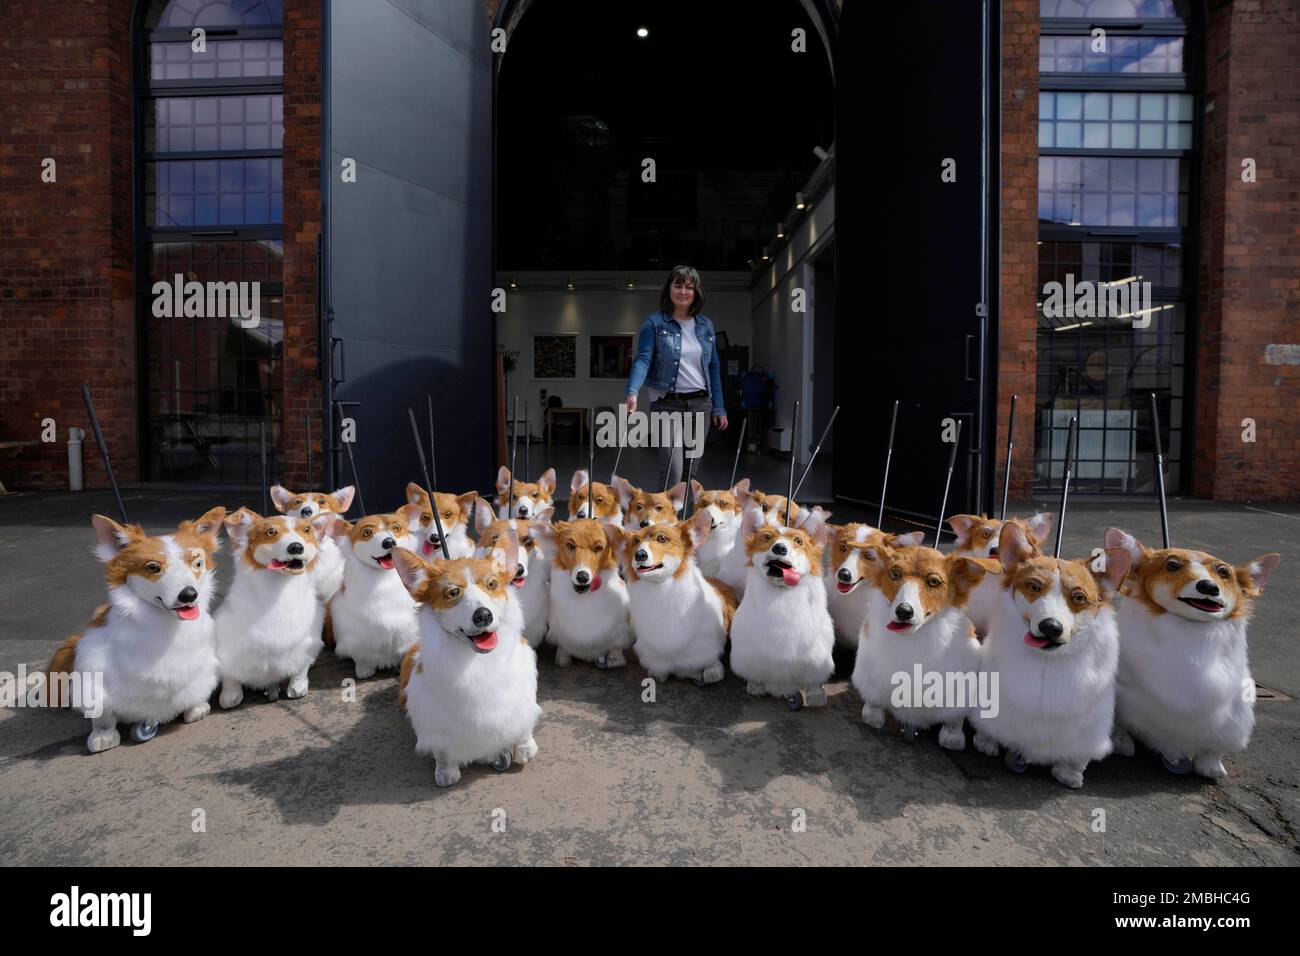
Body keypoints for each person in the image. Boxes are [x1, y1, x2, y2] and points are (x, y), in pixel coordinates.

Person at [625, 265, 729, 491]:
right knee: (673, 470)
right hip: (666, 403)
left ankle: (680, 523)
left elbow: (713, 368)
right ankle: (664, 523)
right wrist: (632, 391)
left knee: (690, 472)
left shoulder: (705, 326)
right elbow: (643, 359)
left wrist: (719, 407)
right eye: (678, 285)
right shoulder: (654, 323)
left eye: (689, 287)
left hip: (701, 404)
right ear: (669, 289)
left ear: (696, 292)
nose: (683, 292)